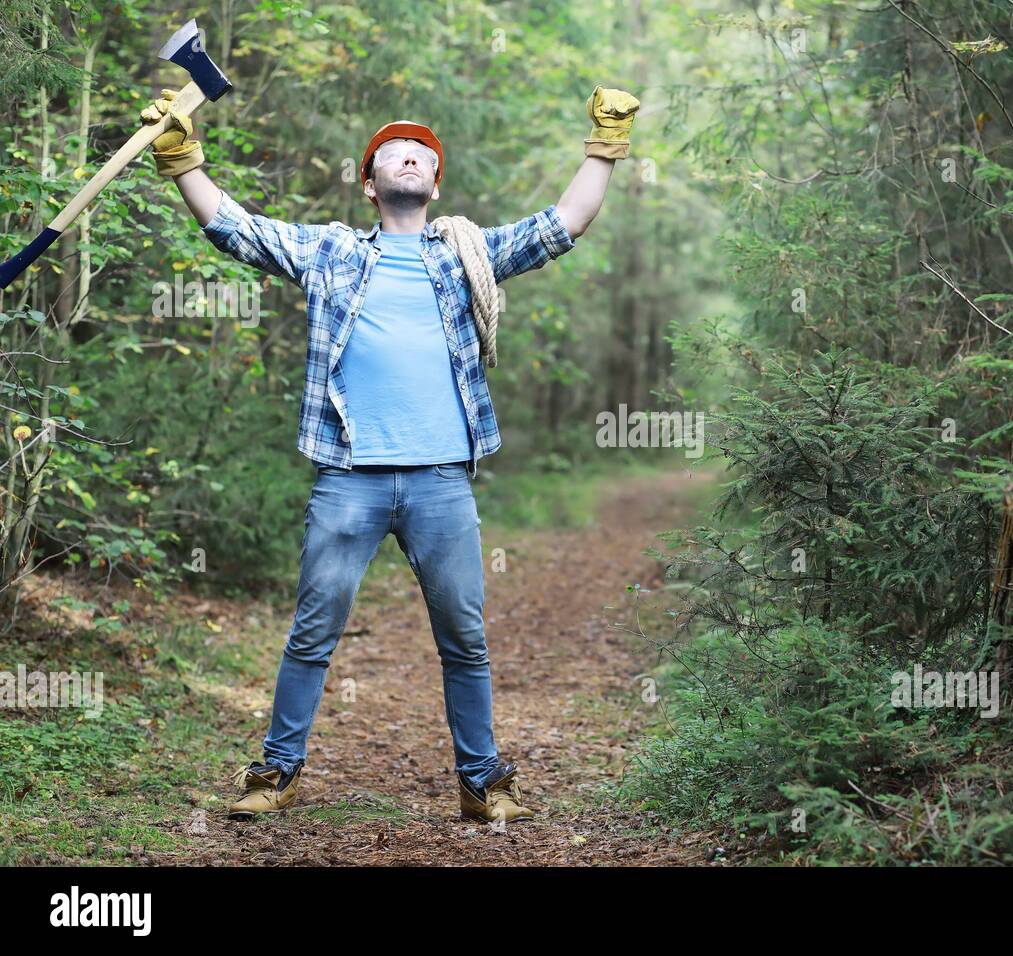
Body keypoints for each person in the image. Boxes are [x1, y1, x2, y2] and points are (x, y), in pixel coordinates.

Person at [138, 85, 640, 823]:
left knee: (464, 637)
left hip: (441, 481)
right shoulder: (333, 250)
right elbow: (237, 229)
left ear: (435, 184)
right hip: (349, 478)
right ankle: (275, 774)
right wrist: (183, 157)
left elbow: (563, 224)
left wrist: (604, 146)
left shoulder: (467, 251)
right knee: (313, 629)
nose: (411, 152)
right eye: (392, 151)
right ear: (370, 183)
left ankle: (482, 785)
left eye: (423, 153)